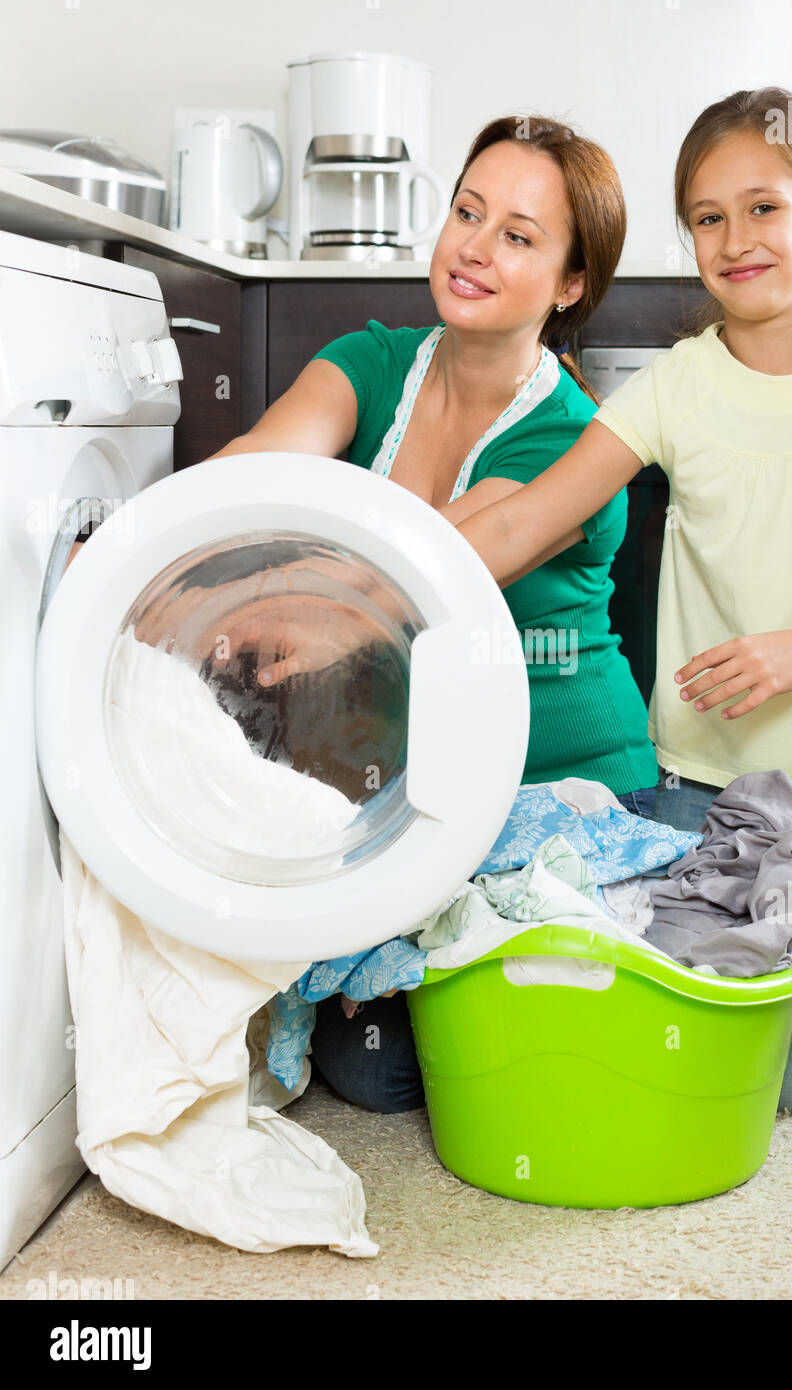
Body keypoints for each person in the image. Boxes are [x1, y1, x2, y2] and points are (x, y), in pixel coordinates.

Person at [454, 88, 792, 1114]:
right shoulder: (670, 387)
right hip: (698, 780)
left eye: (761, 208)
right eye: (705, 217)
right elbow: (521, 524)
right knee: (679, 1030)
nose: (733, 239)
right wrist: (363, 573)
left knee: (785, 1076)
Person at [205, 115, 658, 1111]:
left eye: (518, 235)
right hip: (411, 795)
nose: (474, 248)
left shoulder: (564, 443)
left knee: (431, 1067)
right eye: (466, 212)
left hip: (557, 790)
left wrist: (266, 613)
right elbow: (250, 477)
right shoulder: (365, 364)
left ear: (569, 284)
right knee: (370, 1060)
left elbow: (405, 585)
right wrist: (145, 544)